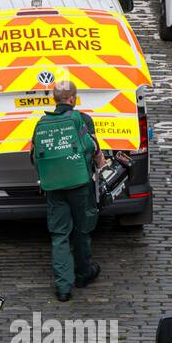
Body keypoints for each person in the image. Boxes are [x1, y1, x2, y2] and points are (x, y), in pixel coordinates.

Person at [30, 79, 105, 303]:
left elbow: (34, 156)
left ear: (54, 99)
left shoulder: (41, 124)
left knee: (59, 235)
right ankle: (82, 274)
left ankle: (63, 288)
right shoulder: (81, 119)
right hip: (80, 185)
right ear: (72, 99)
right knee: (82, 230)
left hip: (53, 187)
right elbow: (92, 148)